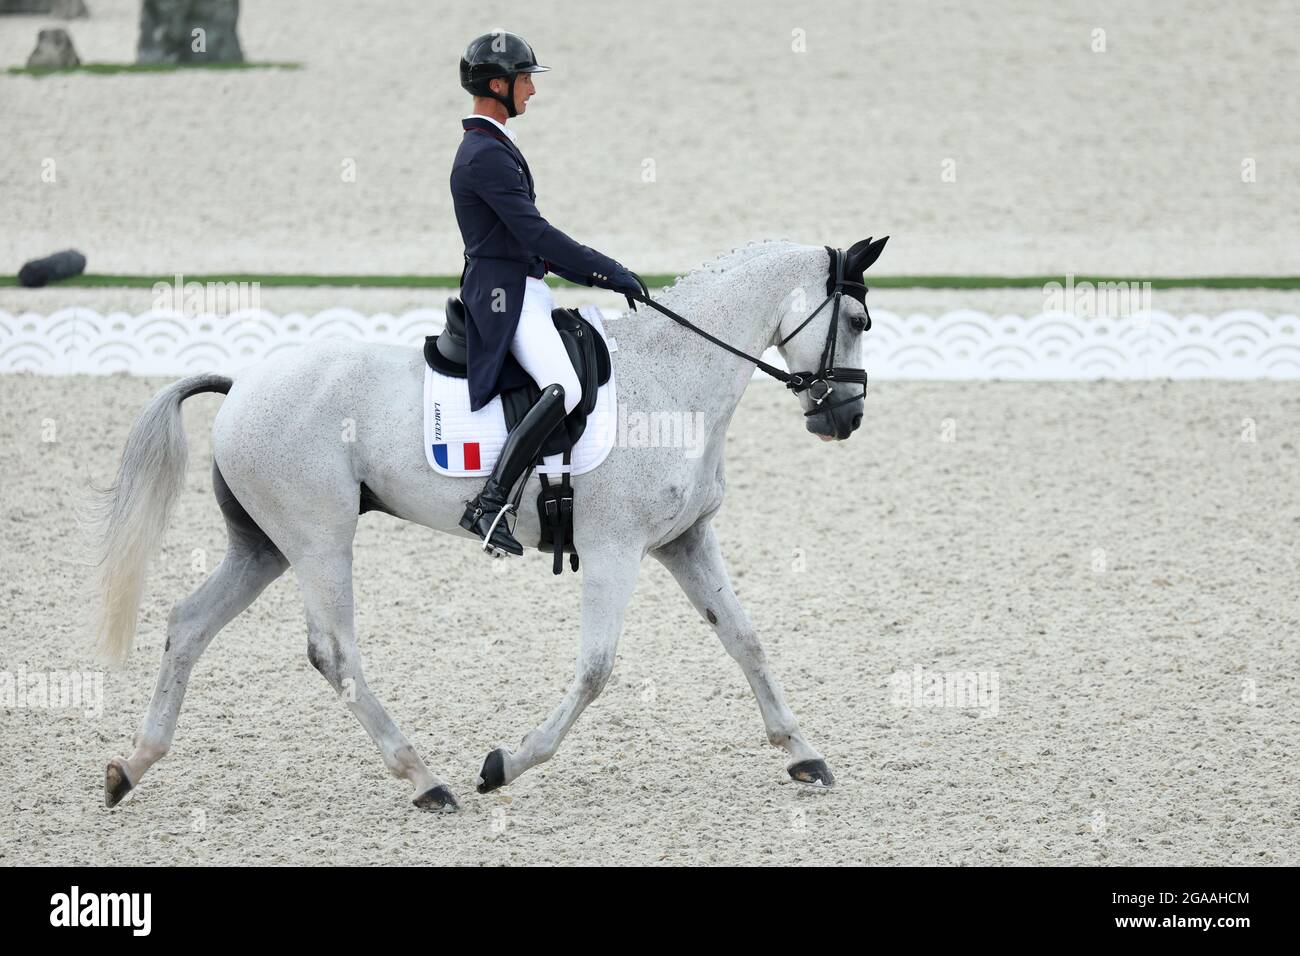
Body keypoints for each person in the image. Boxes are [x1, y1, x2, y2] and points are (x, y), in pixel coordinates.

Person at [451, 30, 643, 556]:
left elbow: (533, 242)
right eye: (526, 80)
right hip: (503, 296)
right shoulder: (484, 155)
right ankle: (490, 503)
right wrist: (609, 270)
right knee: (566, 385)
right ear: (498, 83)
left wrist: (605, 275)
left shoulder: (493, 145)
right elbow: (536, 235)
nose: (532, 91)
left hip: (520, 285)